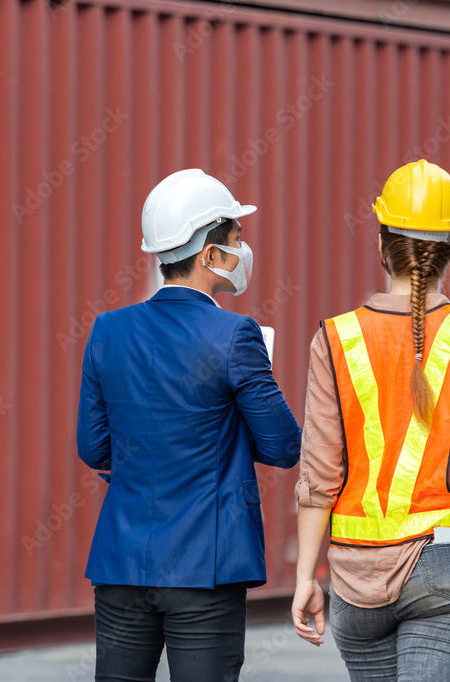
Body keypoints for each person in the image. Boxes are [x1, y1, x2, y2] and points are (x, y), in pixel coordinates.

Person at [291, 159, 450, 681]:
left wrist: (305, 577)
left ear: (381, 243)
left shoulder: (334, 340)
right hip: (446, 568)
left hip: (354, 576)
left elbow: (317, 475)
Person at [76, 168, 302, 682]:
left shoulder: (107, 329)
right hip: (207, 564)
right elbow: (284, 445)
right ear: (210, 255)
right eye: (237, 238)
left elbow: (93, 448)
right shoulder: (236, 334)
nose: (244, 249)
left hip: (123, 560)